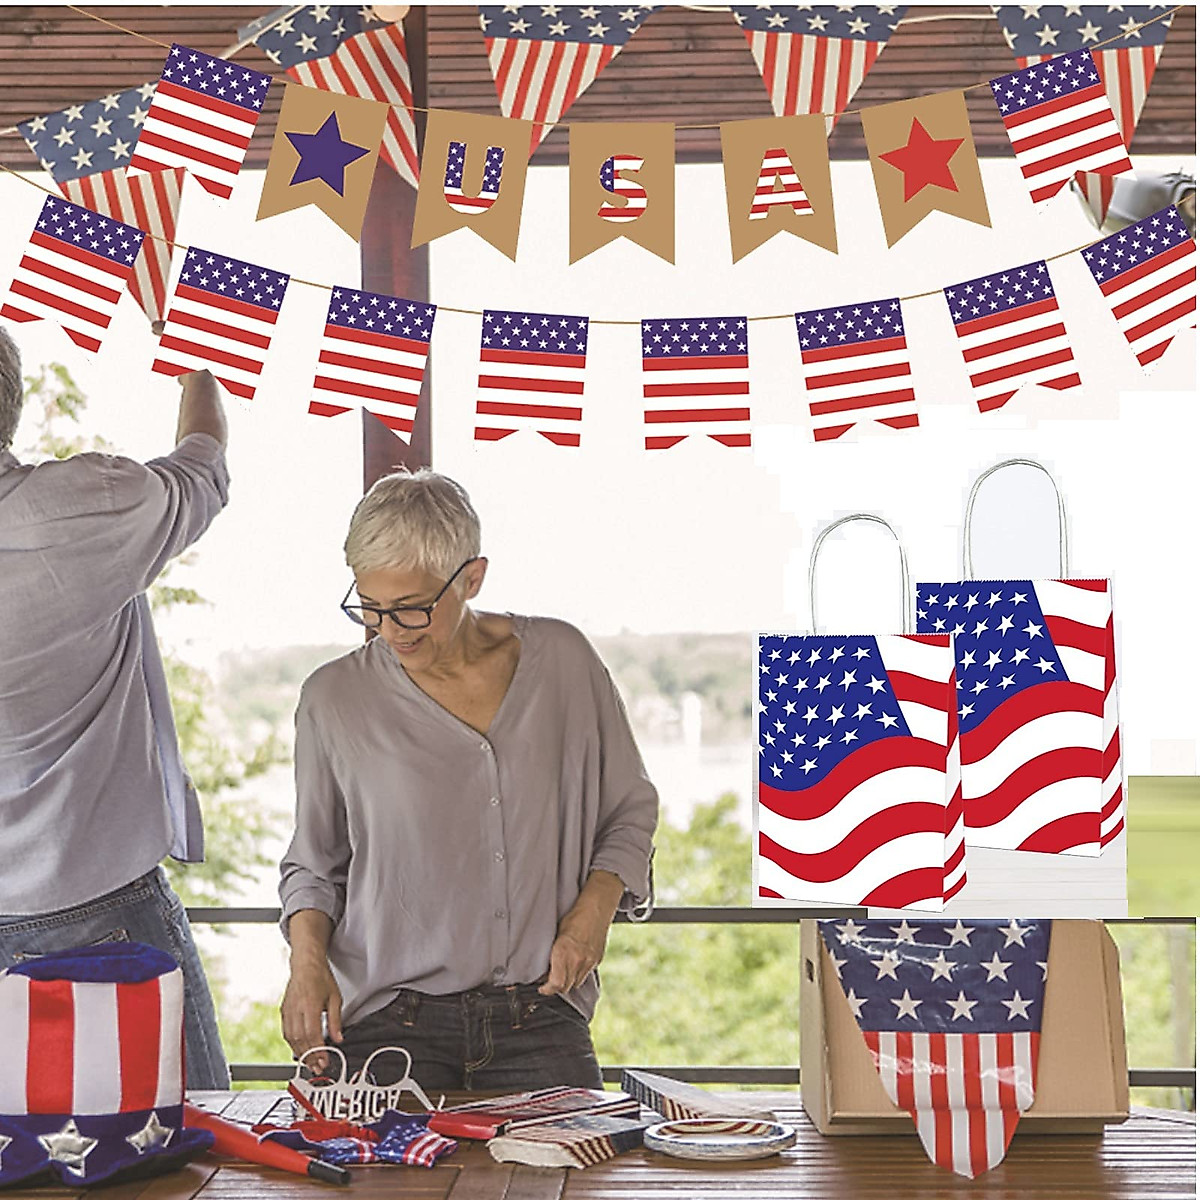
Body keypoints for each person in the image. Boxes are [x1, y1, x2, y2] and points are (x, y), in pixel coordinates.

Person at [279, 470, 658, 1092]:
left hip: (540, 1014)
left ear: (472, 578)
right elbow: (315, 864)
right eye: (371, 608)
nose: (391, 630)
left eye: (412, 608)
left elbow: (630, 809)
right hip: (386, 1025)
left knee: (576, 1180)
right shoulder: (333, 698)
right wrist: (306, 966)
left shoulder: (564, 662)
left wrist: (594, 912)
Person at [0, 325, 231, 1088]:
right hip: (102, 910)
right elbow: (203, 471)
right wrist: (193, 365)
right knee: (186, 1154)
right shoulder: (88, 505)